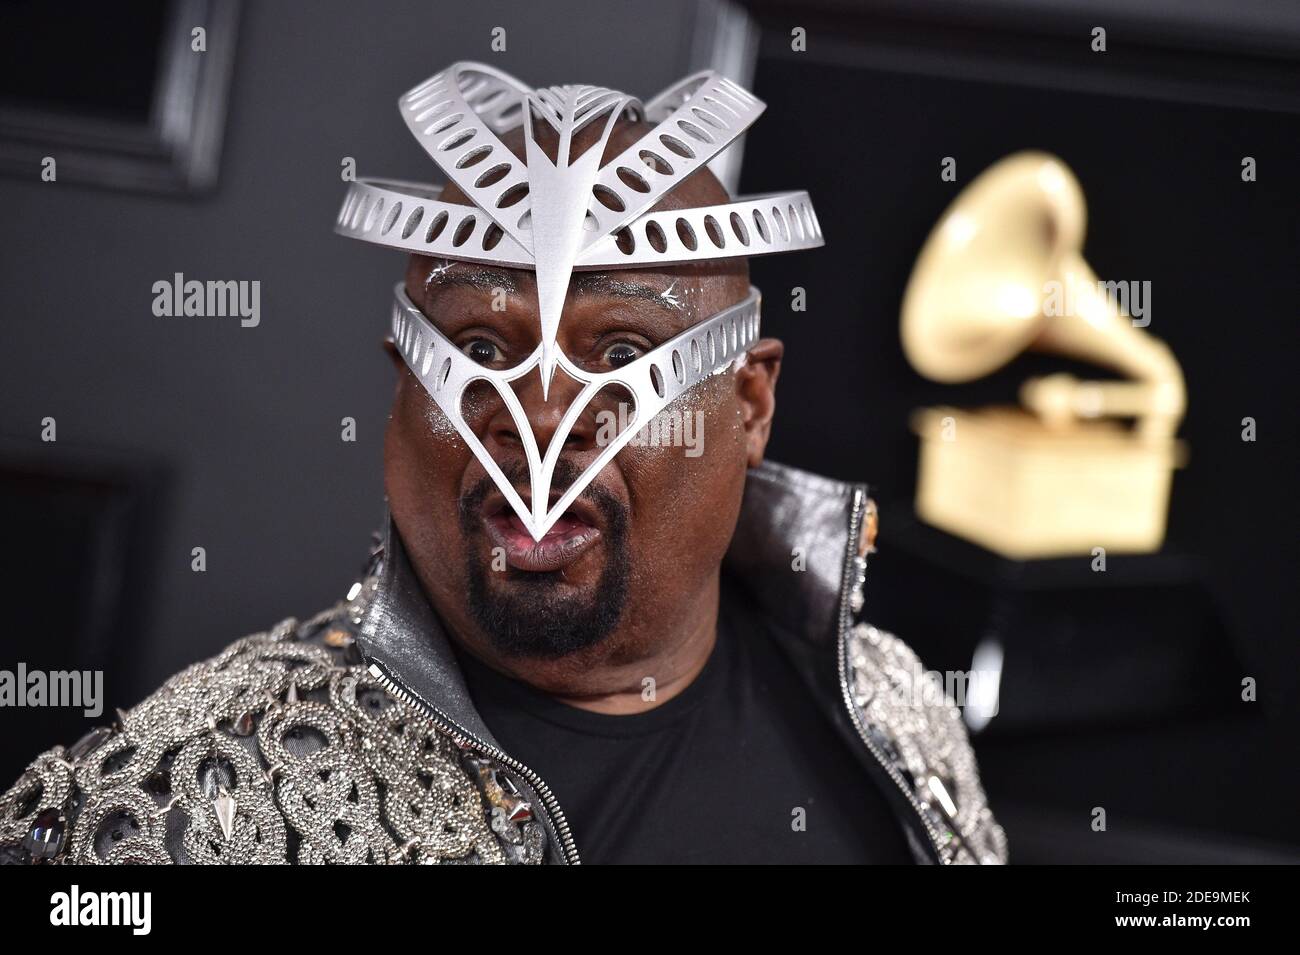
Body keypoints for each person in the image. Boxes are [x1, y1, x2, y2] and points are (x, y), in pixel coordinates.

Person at [0, 63, 1005, 865]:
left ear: (747, 404)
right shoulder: (192, 798)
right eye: (480, 349)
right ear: (403, 386)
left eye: (620, 353)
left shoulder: (891, 714)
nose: (540, 415)